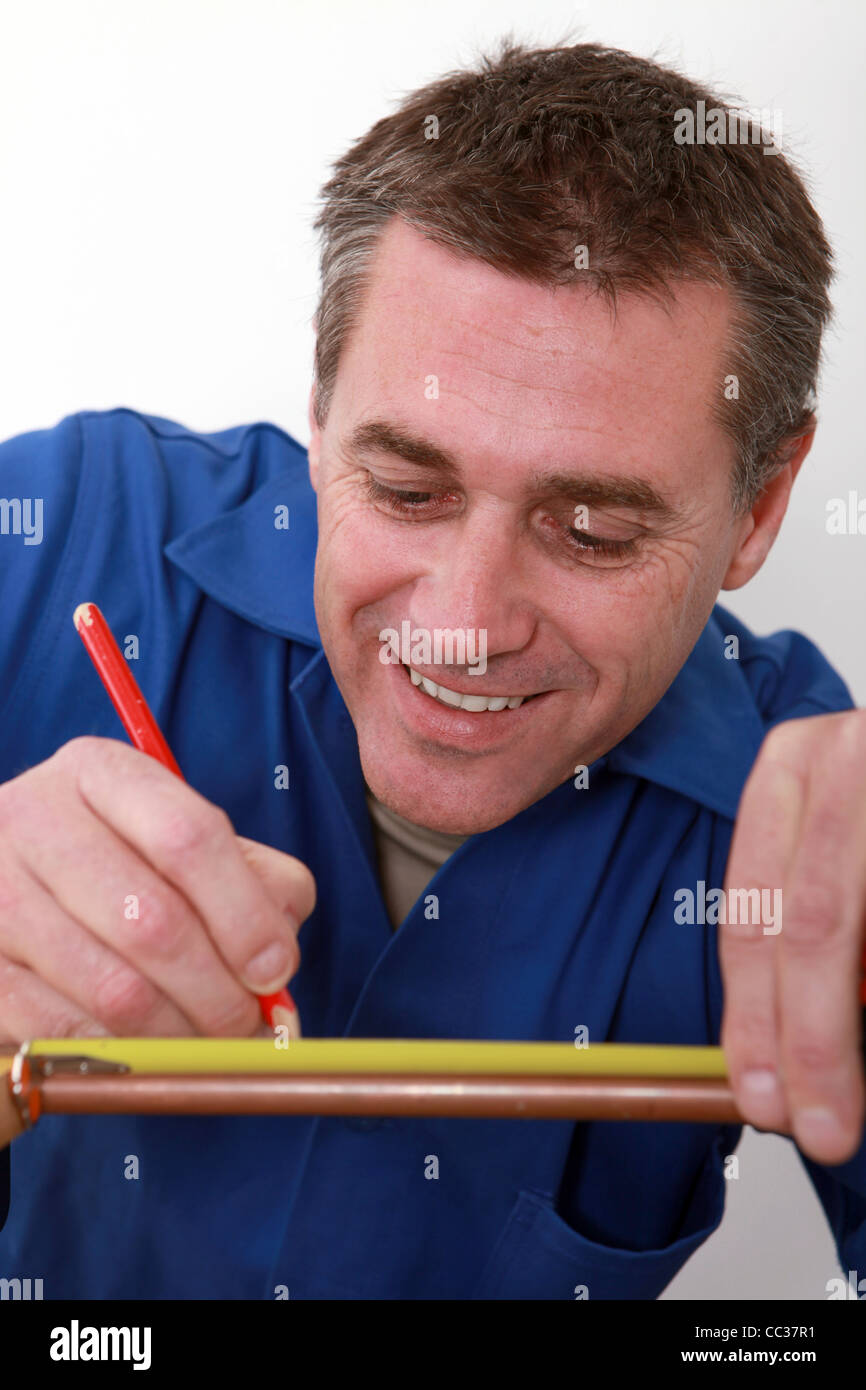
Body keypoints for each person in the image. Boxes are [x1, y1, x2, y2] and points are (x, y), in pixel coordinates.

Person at [0, 38, 863, 1301]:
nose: (461, 623)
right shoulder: (59, 534)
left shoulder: (805, 825)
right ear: (318, 400)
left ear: (758, 505)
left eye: (592, 531)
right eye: (404, 489)